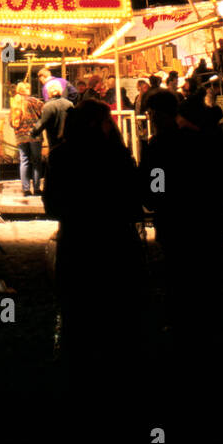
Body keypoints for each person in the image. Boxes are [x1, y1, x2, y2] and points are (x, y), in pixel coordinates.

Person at [43, 98, 145, 368]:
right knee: (116, 312)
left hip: (76, 243)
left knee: (77, 312)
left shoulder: (59, 156)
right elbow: (137, 201)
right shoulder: (118, 156)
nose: (111, 125)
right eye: (106, 120)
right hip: (116, 243)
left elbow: (51, 207)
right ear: (95, 124)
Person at [141, 90, 223, 333]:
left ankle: (182, 325)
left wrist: (157, 200)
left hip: (174, 221)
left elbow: (155, 190)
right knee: (207, 277)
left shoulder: (159, 147)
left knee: (179, 276)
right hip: (205, 218)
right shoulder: (200, 140)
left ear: (156, 114)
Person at [10, 81, 44, 196]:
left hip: (20, 136)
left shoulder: (14, 102)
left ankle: (26, 189)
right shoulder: (33, 101)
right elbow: (43, 113)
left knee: (24, 161)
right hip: (34, 135)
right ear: (27, 90)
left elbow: (12, 122)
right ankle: (37, 188)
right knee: (36, 161)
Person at [29, 83, 73, 151]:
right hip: (68, 140)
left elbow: (42, 122)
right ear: (61, 91)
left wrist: (33, 133)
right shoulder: (69, 104)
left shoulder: (48, 106)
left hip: (54, 141)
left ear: (49, 93)